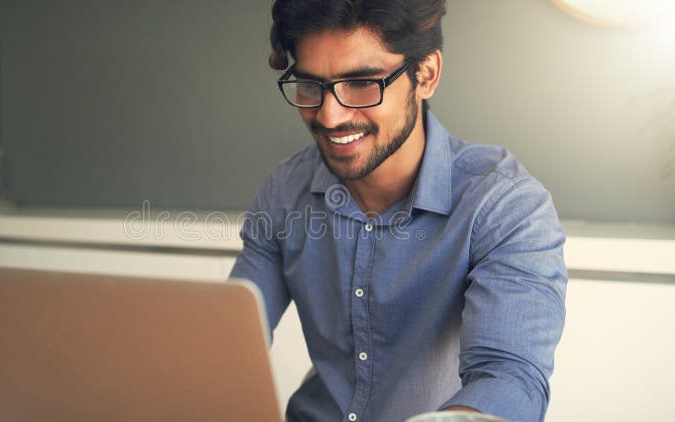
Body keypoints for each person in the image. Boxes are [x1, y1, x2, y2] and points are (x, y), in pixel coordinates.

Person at [229, 1, 567, 421]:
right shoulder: (285, 191)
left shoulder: (504, 205)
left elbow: (510, 379)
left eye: (362, 83)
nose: (330, 116)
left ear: (425, 75)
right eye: (311, 85)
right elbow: (229, 344)